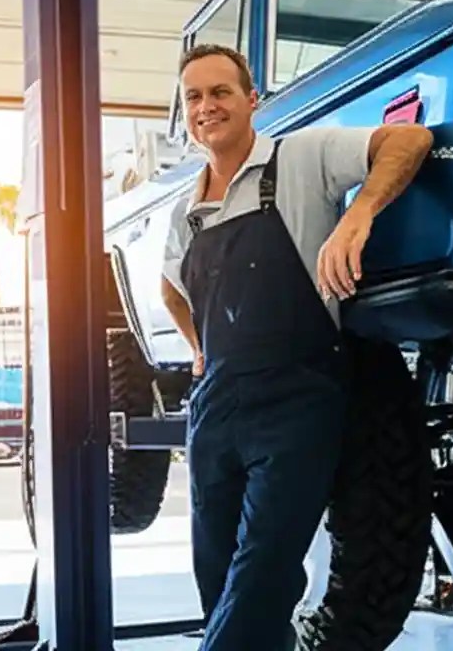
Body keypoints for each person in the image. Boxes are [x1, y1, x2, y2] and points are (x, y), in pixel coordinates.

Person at [160, 43, 432, 649]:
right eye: (195, 98)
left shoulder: (302, 157)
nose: (208, 107)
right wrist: (198, 349)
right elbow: (171, 285)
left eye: (221, 92)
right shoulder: (187, 210)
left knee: (263, 574)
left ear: (251, 100)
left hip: (297, 400)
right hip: (215, 408)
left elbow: (408, 141)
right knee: (217, 578)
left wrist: (358, 214)